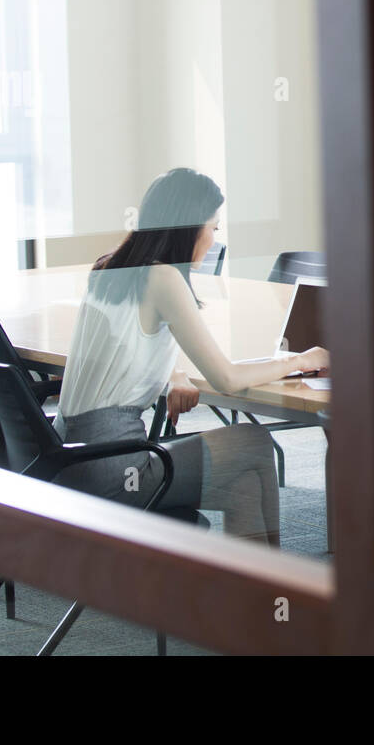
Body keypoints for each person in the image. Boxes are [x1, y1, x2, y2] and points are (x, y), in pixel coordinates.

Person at [52, 168, 329, 545]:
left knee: (243, 480)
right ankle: (272, 592)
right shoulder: (163, 278)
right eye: (213, 227)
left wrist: (175, 373)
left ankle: (257, 593)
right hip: (114, 467)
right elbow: (226, 379)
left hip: (68, 457)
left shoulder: (108, 268)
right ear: (190, 226)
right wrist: (300, 361)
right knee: (254, 442)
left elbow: (128, 343)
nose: (214, 238)